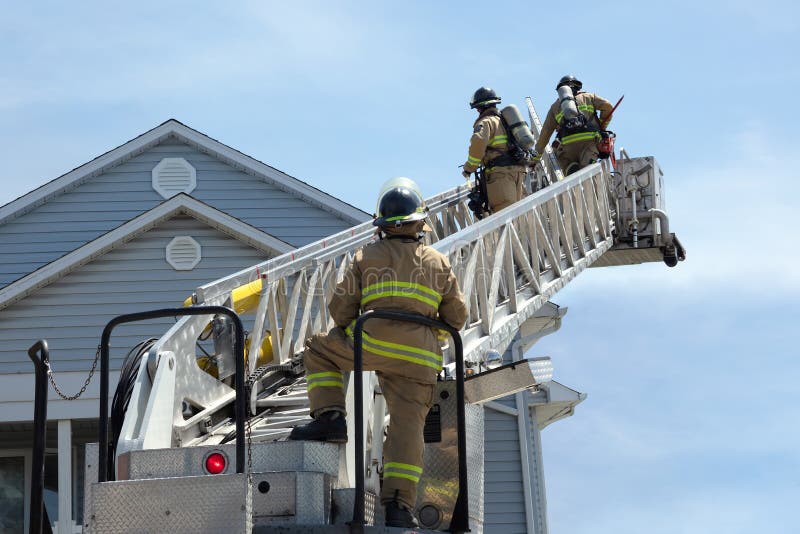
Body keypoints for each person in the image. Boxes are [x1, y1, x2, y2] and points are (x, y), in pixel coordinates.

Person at [288, 177, 468, 528]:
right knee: (407, 430)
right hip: (420, 360)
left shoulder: (365, 257)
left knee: (318, 349)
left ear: (382, 225)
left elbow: (340, 310)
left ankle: (330, 417)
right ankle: (399, 506)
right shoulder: (438, 262)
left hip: (370, 347)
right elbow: (457, 318)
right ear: (420, 222)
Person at [461, 87, 528, 214]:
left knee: (504, 217)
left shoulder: (486, 122)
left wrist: (469, 168)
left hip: (500, 176)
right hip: (518, 172)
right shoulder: (506, 121)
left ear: (479, 107)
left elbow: (478, 143)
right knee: (517, 216)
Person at [534, 75, 614, 175]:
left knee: (567, 166)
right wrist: (602, 126)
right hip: (589, 142)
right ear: (577, 86)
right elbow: (608, 107)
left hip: (568, 145)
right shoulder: (588, 97)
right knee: (588, 173)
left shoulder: (555, 107)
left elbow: (545, 134)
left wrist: (535, 158)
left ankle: (570, 168)